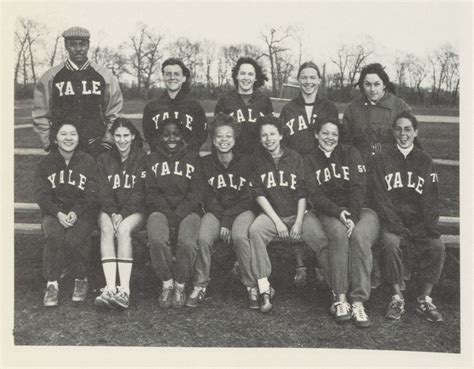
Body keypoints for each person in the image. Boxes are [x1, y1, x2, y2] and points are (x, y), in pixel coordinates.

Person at [248, 114, 329, 313]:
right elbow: (258, 194)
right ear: (259, 139)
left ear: (281, 135)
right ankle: (264, 287)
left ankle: (336, 288)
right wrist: (277, 222)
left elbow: (302, 193)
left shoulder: (294, 157)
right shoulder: (257, 159)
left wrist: (299, 223)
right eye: (264, 135)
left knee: (320, 238)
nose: (269, 139)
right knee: (255, 231)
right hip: (273, 215)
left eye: (272, 134)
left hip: (299, 213)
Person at [304, 121, 380, 327]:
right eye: (325, 133)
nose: (330, 137)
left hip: (361, 211)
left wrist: (353, 217)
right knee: (338, 234)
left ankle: (358, 302)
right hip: (329, 212)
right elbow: (315, 195)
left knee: (359, 237)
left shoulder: (351, 153)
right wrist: (339, 213)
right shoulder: (310, 160)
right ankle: (340, 298)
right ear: (316, 135)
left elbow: (359, 187)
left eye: (334, 134)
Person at [342, 63, 411, 287]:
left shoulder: (398, 105)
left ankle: (393, 271)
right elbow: (346, 143)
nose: (372, 89)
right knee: (366, 220)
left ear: (384, 84)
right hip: (362, 176)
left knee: (390, 218)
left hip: (390, 175)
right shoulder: (353, 108)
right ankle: (370, 270)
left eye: (376, 84)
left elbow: (410, 139)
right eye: (367, 84)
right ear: (362, 86)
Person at [372, 112, 445, 323]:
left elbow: (431, 198)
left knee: (437, 245)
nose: (403, 134)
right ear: (393, 132)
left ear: (416, 132)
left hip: (419, 223)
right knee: (390, 242)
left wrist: (428, 226)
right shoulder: (382, 158)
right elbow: (380, 196)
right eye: (398, 129)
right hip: (393, 221)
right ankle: (397, 297)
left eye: (407, 129)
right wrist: (395, 224)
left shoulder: (424, 159)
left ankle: (425, 298)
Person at [186, 113, 255, 307]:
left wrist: (227, 221)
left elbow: (248, 198)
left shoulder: (246, 161)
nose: (224, 140)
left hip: (241, 211)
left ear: (235, 139)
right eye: (219, 137)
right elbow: (207, 197)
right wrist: (222, 219)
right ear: (213, 140)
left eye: (228, 136)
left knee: (241, 237)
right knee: (203, 238)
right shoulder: (205, 162)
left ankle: (251, 286)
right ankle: (200, 285)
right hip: (216, 212)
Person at [280, 61, 339, 287]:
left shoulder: (328, 107)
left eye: (312, 77)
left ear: (319, 80)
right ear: (298, 79)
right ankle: (300, 265)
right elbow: (284, 141)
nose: (308, 81)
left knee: (319, 214)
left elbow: (334, 137)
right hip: (296, 168)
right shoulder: (289, 108)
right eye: (304, 77)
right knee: (297, 213)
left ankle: (319, 264)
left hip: (321, 166)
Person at [34, 121, 99, 307]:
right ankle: (52, 283)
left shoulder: (88, 161)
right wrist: (58, 213)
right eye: (63, 134)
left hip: (83, 212)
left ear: (79, 138)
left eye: (73, 134)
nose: (68, 138)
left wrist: (76, 212)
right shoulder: (45, 163)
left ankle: (81, 279)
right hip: (54, 212)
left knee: (74, 239)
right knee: (54, 235)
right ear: (55, 138)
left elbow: (92, 193)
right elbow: (41, 194)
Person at [32, 26, 123, 158]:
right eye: (73, 44)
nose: (78, 49)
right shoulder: (51, 77)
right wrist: (49, 142)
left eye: (82, 44)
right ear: (66, 46)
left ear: (88, 45)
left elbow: (114, 111)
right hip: (63, 147)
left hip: (97, 145)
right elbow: (40, 114)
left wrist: (108, 140)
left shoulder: (105, 75)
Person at [145, 118, 203, 308]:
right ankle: (167, 283)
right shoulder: (152, 158)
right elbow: (151, 191)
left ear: (182, 136)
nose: (171, 138)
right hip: (160, 210)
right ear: (160, 137)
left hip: (188, 211)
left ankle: (180, 284)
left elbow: (196, 193)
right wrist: (168, 213)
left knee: (187, 243)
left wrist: (178, 214)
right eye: (167, 134)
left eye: (176, 134)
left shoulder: (193, 157)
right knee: (156, 239)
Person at [95, 118, 148, 310]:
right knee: (107, 229)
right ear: (112, 137)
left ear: (133, 136)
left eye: (126, 135)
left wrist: (123, 213)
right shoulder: (104, 159)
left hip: (135, 211)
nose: (122, 140)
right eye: (118, 135)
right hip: (110, 209)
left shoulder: (142, 157)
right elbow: (102, 190)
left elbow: (141, 192)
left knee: (124, 229)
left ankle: (124, 291)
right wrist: (112, 212)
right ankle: (109, 288)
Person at [142, 58, 208, 153]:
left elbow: (201, 136)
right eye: (168, 74)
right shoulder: (151, 107)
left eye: (176, 74)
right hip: (160, 161)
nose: (172, 77)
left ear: (184, 78)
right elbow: (149, 136)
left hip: (187, 161)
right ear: (163, 77)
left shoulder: (194, 107)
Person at [214, 57, 273, 154]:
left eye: (250, 74)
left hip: (259, 159)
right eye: (242, 73)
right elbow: (216, 135)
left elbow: (271, 132)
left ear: (255, 78)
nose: (246, 78)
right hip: (233, 160)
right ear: (236, 76)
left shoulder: (264, 101)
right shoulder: (224, 101)